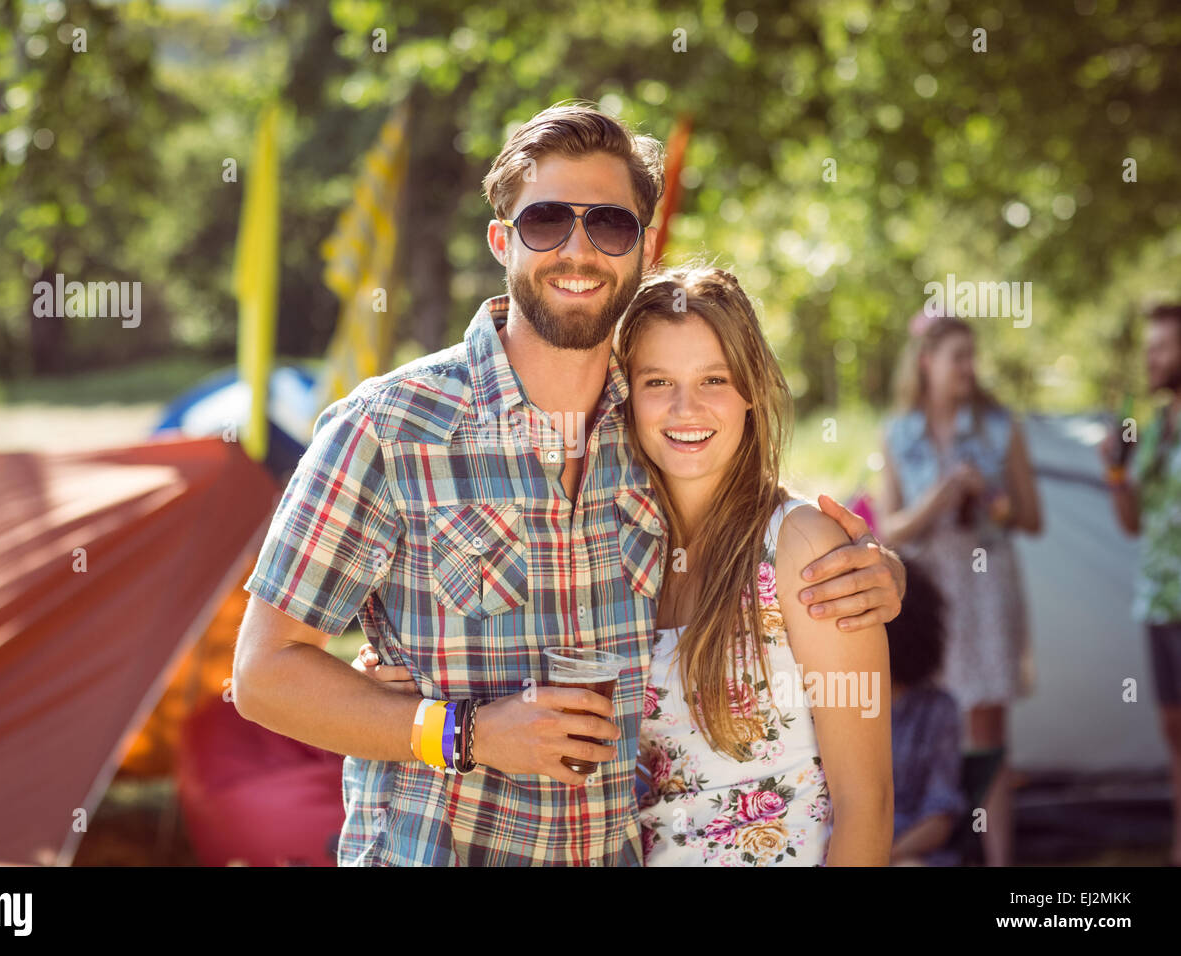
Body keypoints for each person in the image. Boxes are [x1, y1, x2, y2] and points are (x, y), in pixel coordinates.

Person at [233, 101, 907, 866]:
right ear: (502, 240)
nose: (578, 249)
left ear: (644, 249)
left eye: (609, 225)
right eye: (546, 221)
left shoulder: (650, 425)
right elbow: (262, 675)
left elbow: (751, 532)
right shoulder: (390, 428)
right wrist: (462, 732)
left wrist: (880, 573)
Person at [365, 262, 894, 866]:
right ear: (627, 395)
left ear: (750, 391)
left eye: (714, 380)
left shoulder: (804, 547)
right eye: (659, 382)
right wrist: (397, 672)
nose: (686, 409)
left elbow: (869, 804)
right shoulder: (621, 544)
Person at [876, 310, 1042, 867]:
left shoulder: (1000, 426)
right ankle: (928, 841)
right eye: (958, 358)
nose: (969, 369)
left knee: (987, 723)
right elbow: (888, 527)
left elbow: (1030, 517)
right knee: (929, 715)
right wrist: (940, 496)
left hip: (986, 588)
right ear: (927, 363)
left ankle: (999, 862)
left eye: (973, 358)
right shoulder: (897, 432)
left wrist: (991, 498)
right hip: (927, 596)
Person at [1100, 302, 1181, 867]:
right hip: (1158, 601)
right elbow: (1132, 525)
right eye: (1149, 347)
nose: (1150, 359)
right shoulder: (1155, 429)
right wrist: (1115, 472)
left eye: (1162, 347)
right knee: (1174, 730)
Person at [885, 560, 965, 866]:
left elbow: (940, 813)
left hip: (909, 852)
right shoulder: (835, 700)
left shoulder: (938, 709)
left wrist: (888, 856)